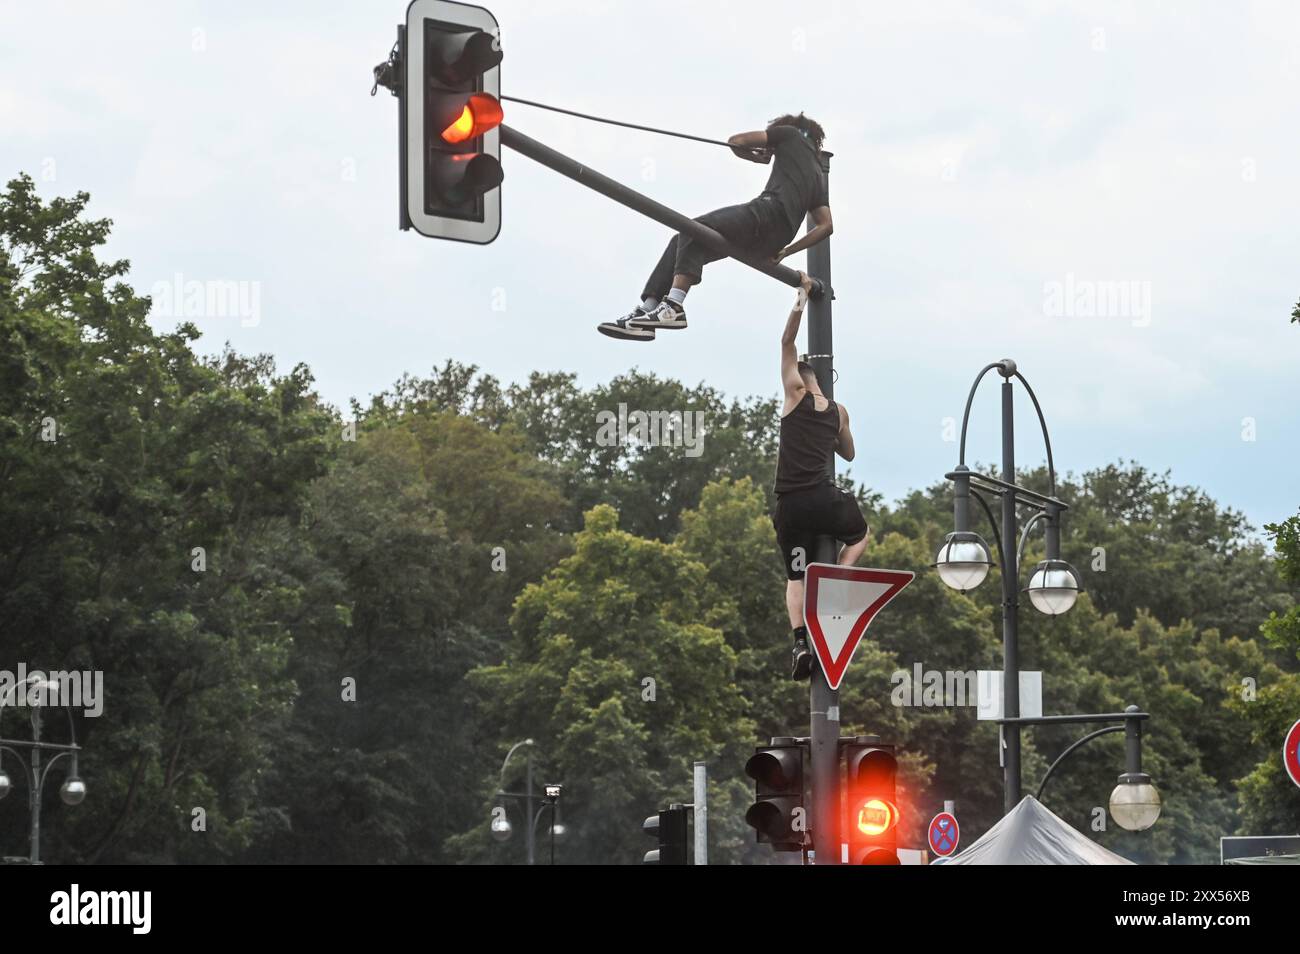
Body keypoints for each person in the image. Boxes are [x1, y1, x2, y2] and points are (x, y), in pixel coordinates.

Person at [597, 112, 833, 341]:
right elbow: (826, 225)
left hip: (766, 212)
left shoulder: (790, 133)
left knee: (692, 228)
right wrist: (787, 250)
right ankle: (646, 313)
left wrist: (755, 156)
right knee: (684, 242)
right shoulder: (816, 174)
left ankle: (674, 304)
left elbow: (736, 141)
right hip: (773, 239)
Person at [772, 272, 869, 680]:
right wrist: (835, 429)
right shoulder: (837, 411)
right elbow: (848, 454)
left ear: (800, 377)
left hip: (790, 507)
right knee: (860, 534)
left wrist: (801, 296)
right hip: (823, 501)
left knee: (796, 574)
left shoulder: (793, 396)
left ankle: (799, 644)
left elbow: (786, 343)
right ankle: (836, 583)